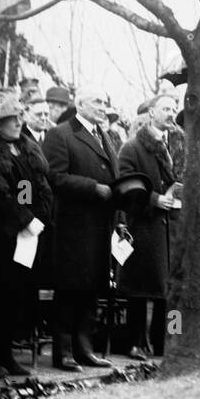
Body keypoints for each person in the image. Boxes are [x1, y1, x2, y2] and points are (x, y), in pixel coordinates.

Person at [0, 95, 54, 378]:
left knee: (17, 296)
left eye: (21, 118)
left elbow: (38, 187)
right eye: (12, 119)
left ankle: (7, 354)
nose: (19, 123)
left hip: (27, 235)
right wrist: (25, 219)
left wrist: (38, 217)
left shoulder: (27, 149)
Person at [43, 88, 119, 370]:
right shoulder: (61, 135)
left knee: (90, 290)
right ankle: (63, 352)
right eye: (97, 101)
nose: (103, 106)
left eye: (104, 101)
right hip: (72, 227)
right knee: (70, 289)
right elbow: (54, 176)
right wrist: (91, 188)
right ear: (79, 104)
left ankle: (84, 348)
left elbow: (113, 177)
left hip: (100, 225)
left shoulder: (105, 137)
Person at [116, 93, 179, 360]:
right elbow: (127, 185)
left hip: (172, 227)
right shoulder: (132, 148)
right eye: (166, 108)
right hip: (145, 225)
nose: (171, 113)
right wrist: (155, 200)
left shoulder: (177, 143)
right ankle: (136, 343)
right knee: (140, 290)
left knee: (170, 291)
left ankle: (166, 341)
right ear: (151, 112)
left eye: (174, 108)